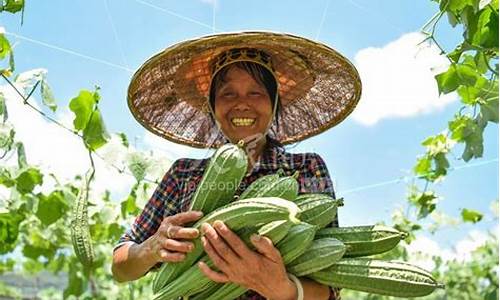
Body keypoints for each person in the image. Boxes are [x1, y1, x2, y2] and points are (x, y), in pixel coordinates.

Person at [112, 32, 361, 300]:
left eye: (256, 92)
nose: (242, 103)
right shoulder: (184, 173)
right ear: (213, 106)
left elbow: (331, 284)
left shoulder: (307, 168)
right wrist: (151, 248)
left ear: (274, 103)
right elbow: (120, 266)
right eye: (227, 93)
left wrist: (281, 288)